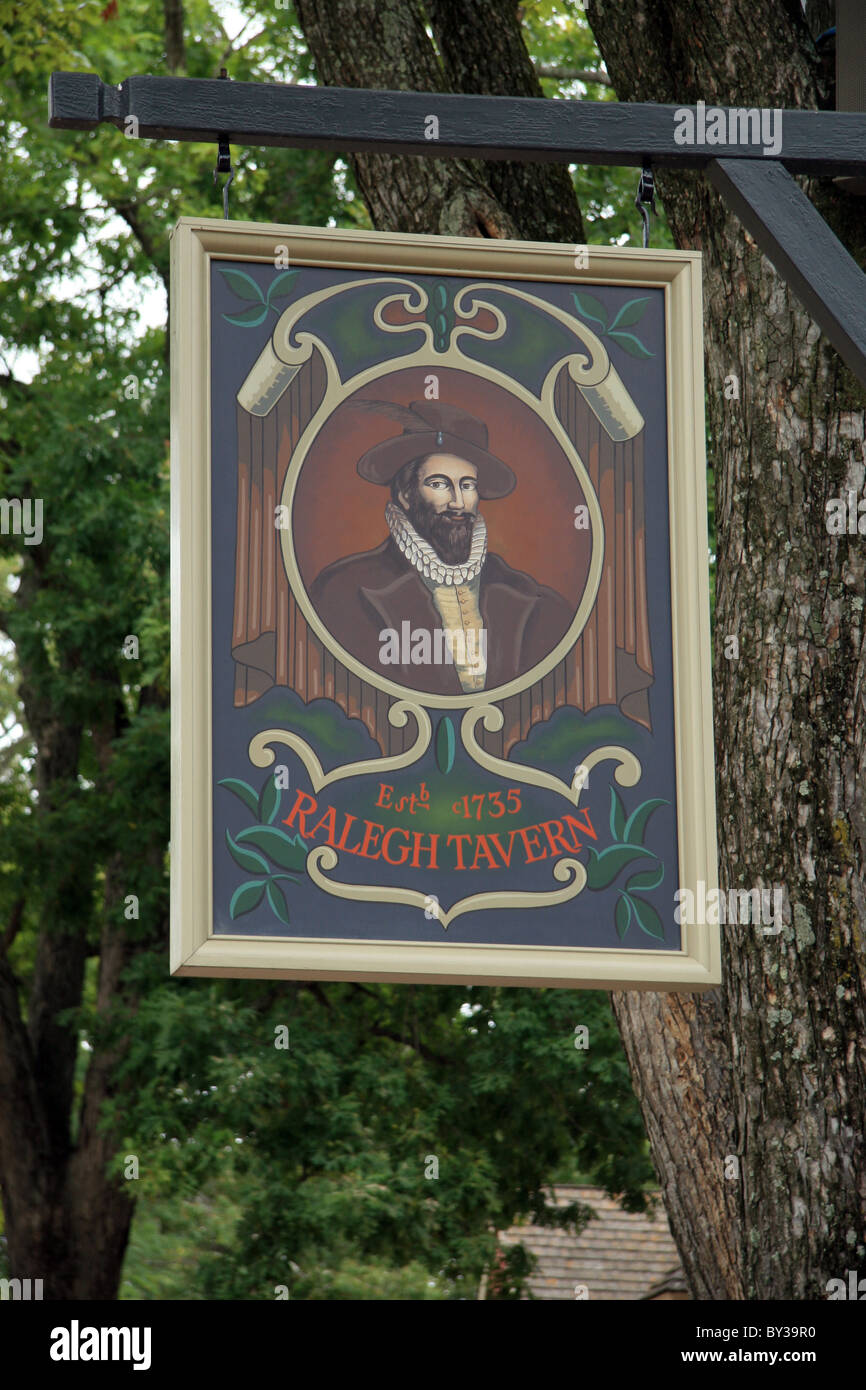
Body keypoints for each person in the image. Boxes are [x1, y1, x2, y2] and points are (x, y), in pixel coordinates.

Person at [309, 399, 575, 695]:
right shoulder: (342, 593)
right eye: (439, 484)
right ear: (406, 494)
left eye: (467, 485)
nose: (458, 503)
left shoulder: (535, 601)